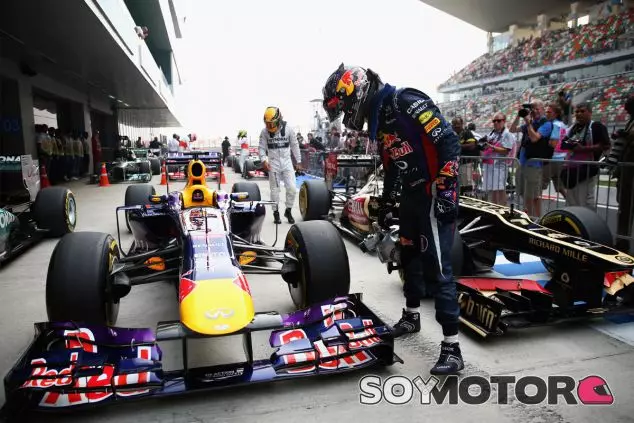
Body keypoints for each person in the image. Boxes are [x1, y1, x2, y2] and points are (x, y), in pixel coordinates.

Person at [322, 63, 463, 375]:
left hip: (433, 192)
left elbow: (450, 143)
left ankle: (452, 348)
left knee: (439, 270)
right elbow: (392, 167)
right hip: (412, 197)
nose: (346, 111)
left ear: (357, 90)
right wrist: (387, 205)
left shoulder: (405, 101)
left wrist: (446, 190)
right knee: (408, 257)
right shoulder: (382, 121)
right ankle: (412, 316)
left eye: (344, 103)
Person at [559, 102, 610, 209]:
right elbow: (563, 144)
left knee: (585, 203)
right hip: (571, 170)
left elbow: (606, 145)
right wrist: (572, 145)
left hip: (586, 171)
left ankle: (587, 223)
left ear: (590, 113)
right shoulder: (573, 129)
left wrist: (584, 148)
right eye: (577, 111)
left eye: (582, 111)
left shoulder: (596, 126)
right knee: (572, 202)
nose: (579, 114)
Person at [510, 99, 553, 218]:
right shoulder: (530, 123)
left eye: (537, 108)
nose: (534, 111)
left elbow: (534, 138)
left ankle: (536, 221)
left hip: (534, 165)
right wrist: (519, 116)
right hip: (523, 164)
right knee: (526, 195)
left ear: (543, 109)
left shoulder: (546, 124)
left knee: (534, 196)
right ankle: (530, 218)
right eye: (532, 108)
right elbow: (512, 130)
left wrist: (528, 123)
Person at [259, 107, 302, 224]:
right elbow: (261, 148)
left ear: (278, 119)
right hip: (273, 164)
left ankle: (288, 210)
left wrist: (298, 161)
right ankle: (276, 212)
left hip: (287, 163)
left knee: (292, 188)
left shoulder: (289, 129)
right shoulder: (264, 132)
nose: (269, 126)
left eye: (271, 123)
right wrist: (264, 160)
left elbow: (295, 145)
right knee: (275, 191)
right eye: (267, 123)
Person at [610, 94, 634, 253]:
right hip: (626, 175)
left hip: (631, 175)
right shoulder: (630, 122)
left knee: (626, 212)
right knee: (624, 212)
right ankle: (621, 245)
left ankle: (623, 244)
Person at [480, 113, 516, 205]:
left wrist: (491, 147)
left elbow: (506, 151)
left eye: (498, 121)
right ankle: (494, 210)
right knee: (493, 190)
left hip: (500, 166)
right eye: (494, 121)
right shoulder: (492, 133)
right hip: (490, 165)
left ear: (504, 121)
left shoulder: (507, 134)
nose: (496, 123)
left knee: (500, 190)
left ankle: (503, 211)